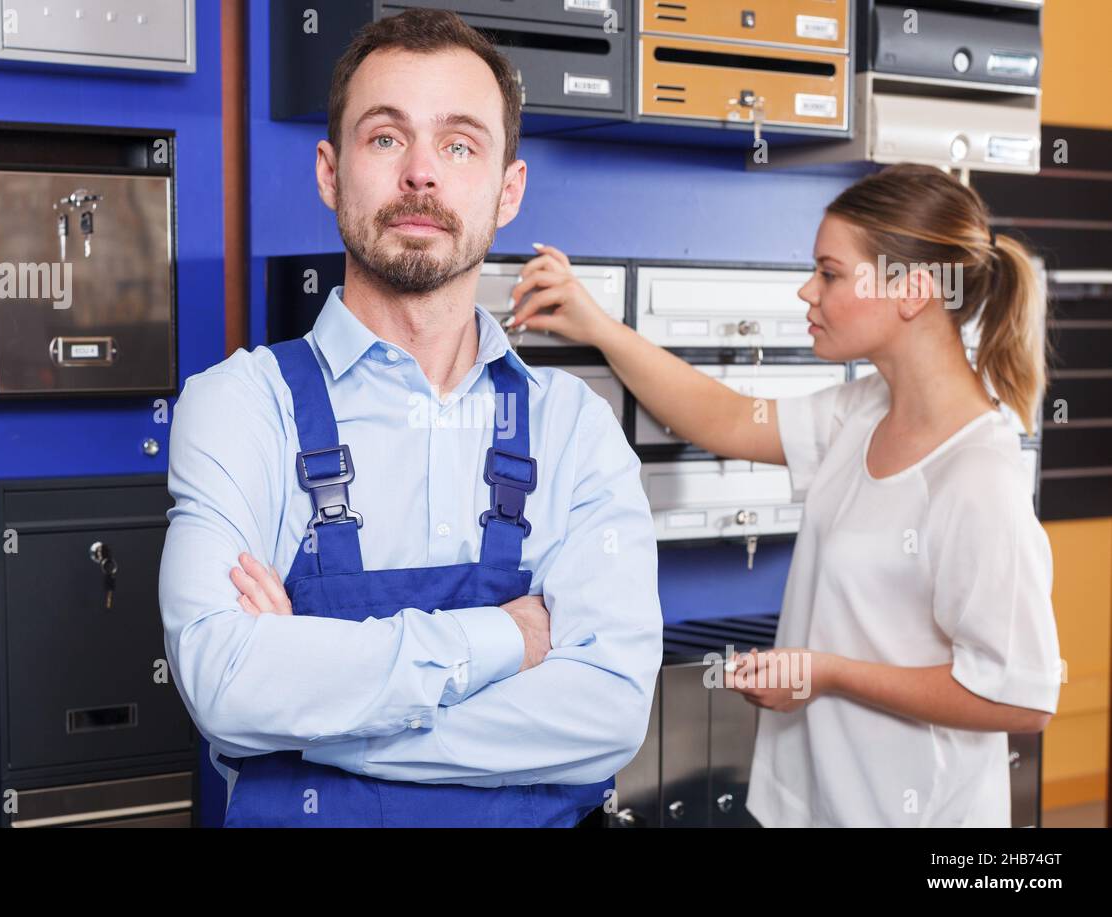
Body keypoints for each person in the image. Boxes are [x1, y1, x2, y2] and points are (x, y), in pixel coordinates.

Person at [157, 8, 662, 828]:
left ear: (508, 190)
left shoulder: (576, 429)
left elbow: (605, 714)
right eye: (386, 138)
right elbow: (225, 681)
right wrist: (506, 640)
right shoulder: (240, 406)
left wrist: (304, 723)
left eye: (459, 144)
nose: (421, 172)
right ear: (330, 172)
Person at [504, 163, 1064, 827]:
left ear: (913, 291)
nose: (808, 291)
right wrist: (598, 325)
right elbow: (727, 418)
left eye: (829, 272)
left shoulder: (977, 477)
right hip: (812, 801)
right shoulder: (863, 411)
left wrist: (827, 672)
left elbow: (1021, 698)